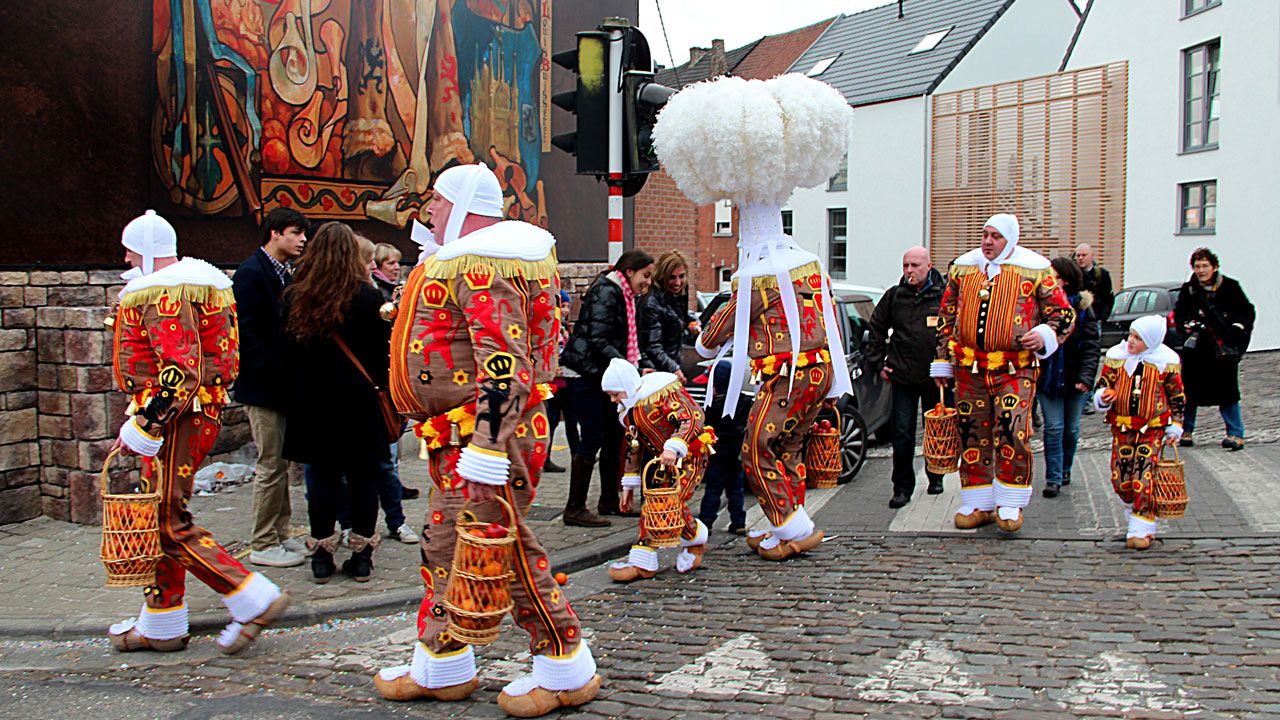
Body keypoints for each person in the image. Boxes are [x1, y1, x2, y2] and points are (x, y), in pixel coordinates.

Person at [376, 163, 600, 716]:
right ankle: (442, 662)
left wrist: (487, 442)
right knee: (448, 545)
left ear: (459, 204)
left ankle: (565, 660)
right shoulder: (474, 259)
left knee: (508, 549)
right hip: (464, 434)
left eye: (436, 204)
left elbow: (504, 361)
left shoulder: (483, 264)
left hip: (487, 434)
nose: (427, 214)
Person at [107, 210, 288, 655]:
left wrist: (145, 424)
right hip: (188, 417)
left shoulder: (163, 292)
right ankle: (163, 621)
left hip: (176, 420)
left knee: (167, 523)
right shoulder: (196, 284)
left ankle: (249, 594)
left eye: (131, 249)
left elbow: (179, 372)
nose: (127, 258)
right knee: (159, 518)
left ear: (146, 251)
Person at [930, 213, 1074, 533]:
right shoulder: (964, 269)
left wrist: (1046, 334)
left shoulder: (1036, 270)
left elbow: (1062, 314)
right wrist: (942, 360)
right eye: (984, 235)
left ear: (1010, 239)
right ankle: (978, 501)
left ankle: (1010, 501)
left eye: (995, 236)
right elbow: (946, 316)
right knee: (971, 430)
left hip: (1015, 367)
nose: (988, 242)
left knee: (1011, 428)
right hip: (969, 368)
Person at [283, 222, 392, 583]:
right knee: (364, 478)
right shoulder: (369, 299)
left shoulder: (296, 296)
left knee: (323, 480)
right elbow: (382, 355)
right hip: (359, 402)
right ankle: (361, 556)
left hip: (312, 402)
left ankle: (321, 557)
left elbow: (286, 352)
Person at [233, 207, 308, 568]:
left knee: (280, 461)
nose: (302, 240)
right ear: (275, 233)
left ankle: (281, 532)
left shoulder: (285, 272)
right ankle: (262, 542)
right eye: (296, 232)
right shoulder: (250, 273)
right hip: (263, 385)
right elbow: (245, 334)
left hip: (281, 383)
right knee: (270, 463)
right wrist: (276, 369)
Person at [559, 250, 656, 526]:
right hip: (585, 373)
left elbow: (626, 340)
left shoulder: (624, 295)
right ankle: (574, 507)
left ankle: (608, 501)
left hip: (602, 374)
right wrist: (629, 370)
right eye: (645, 276)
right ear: (629, 272)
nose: (647, 282)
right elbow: (599, 339)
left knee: (615, 436)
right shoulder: (608, 292)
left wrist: (637, 365)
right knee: (593, 436)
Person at [600, 359, 715, 582]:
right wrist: (629, 486)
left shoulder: (662, 393)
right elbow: (634, 446)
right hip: (662, 460)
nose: (614, 400)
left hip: (690, 454)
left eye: (616, 394)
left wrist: (675, 445)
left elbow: (692, 417)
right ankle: (665, 549)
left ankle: (660, 553)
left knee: (669, 504)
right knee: (657, 504)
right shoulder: (628, 410)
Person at [866, 246, 949, 509]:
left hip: (936, 376)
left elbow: (957, 329)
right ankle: (902, 487)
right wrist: (878, 361)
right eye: (906, 266)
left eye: (915, 265)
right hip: (902, 376)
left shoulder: (944, 295)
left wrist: (951, 364)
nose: (910, 271)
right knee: (902, 434)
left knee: (937, 431)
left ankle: (936, 475)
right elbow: (876, 327)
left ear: (928, 265)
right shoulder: (895, 296)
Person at [1094, 316, 1186, 549]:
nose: (1131, 341)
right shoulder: (1117, 358)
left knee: (1144, 476)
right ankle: (1132, 505)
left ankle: (1142, 526)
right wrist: (1104, 395)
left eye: (1138, 338)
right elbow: (1104, 383)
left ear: (1151, 342)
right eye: (1131, 336)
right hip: (1123, 426)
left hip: (1152, 428)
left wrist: (1175, 424)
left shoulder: (1165, 363)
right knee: (1121, 477)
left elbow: (1177, 397)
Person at [1172, 248, 1255, 451]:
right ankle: (1186, 431)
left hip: (1221, 349)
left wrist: (1237, 328)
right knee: (1189, 392)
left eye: (1205, 266)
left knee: (1228, 392)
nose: (1201, 270)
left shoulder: (1231, 287)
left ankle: (1235, 434)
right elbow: (1179, 314)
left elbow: (1246, 311)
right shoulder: (1189, 290)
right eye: (1197, 266)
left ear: (1214, 266)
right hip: (1197, 350)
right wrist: (1186, 326)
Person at [1038, 257, 1100, 498]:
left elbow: (1091, 346)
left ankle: (1065, 469)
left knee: (1071, 430)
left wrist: (1086, 377)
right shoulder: (1041, 307)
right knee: (1054, 427)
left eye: (1052, 276)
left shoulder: (1083, 309)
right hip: (1048, 378)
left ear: (1063, 281)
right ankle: (1053, 478)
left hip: (1075, 377)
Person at [697, 361, 749, 535]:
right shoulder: (744, 401)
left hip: (719, 454)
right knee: (736, 488)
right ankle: (738, 521)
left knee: (713, 488)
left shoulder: (714, 405)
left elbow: (708, 427)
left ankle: (706, 520)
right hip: (737, 452)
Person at [642, 250, 700, 382]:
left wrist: (693, 321)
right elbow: (652, 346)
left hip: (671, 364)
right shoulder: (651, 303)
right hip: (655, 371)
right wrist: (673, 368)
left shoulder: (680, 294)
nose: (678, 283)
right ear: (663, 277)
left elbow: (682, 315)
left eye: (681, 276)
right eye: (672, 277)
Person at [542, 289, 577, 474]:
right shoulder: (552, 328)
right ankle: (545, 457)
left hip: (566, 380)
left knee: (571, 420)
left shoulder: (565, 327)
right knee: (553, 419)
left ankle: (576, 454)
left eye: (567, 306)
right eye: (561, 305)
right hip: (554, 382)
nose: (564, 310)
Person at [1074, 243, 1114, 323]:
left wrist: (1102, 318)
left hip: (1095, 319)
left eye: (1084, 255)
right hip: (1077, 320)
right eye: (1078, 255)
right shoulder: (1073, 274)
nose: (1080, 258)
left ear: (1091, 256)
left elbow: (1108, 299)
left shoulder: (1102, 274)